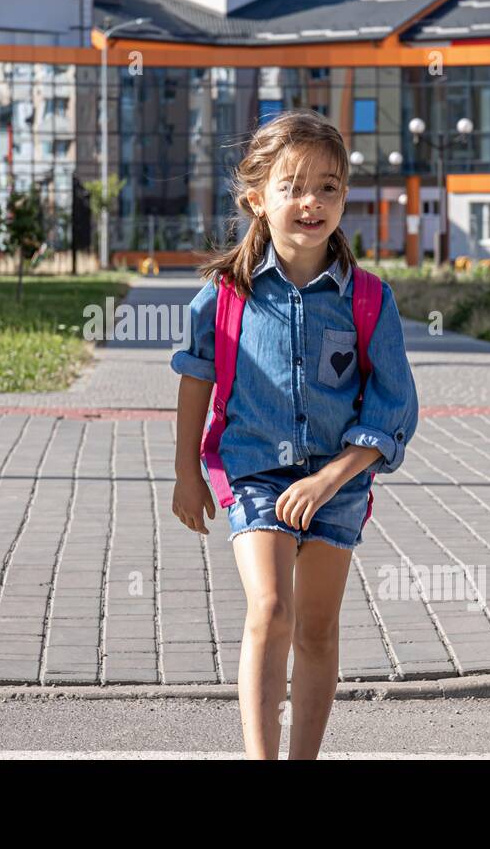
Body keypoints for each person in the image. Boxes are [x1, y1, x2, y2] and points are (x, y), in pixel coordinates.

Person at [169, 109, 419, 759]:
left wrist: (332, 477)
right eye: (293, 186)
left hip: (336, 486)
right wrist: (185, 470)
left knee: (316, 631)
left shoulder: (368, 299)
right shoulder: (227, 294)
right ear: (257, 198)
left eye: (329, 186)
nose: (312, 202)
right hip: (253, 473)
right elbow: (196, 375)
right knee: (271, 609)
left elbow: (392, 408)